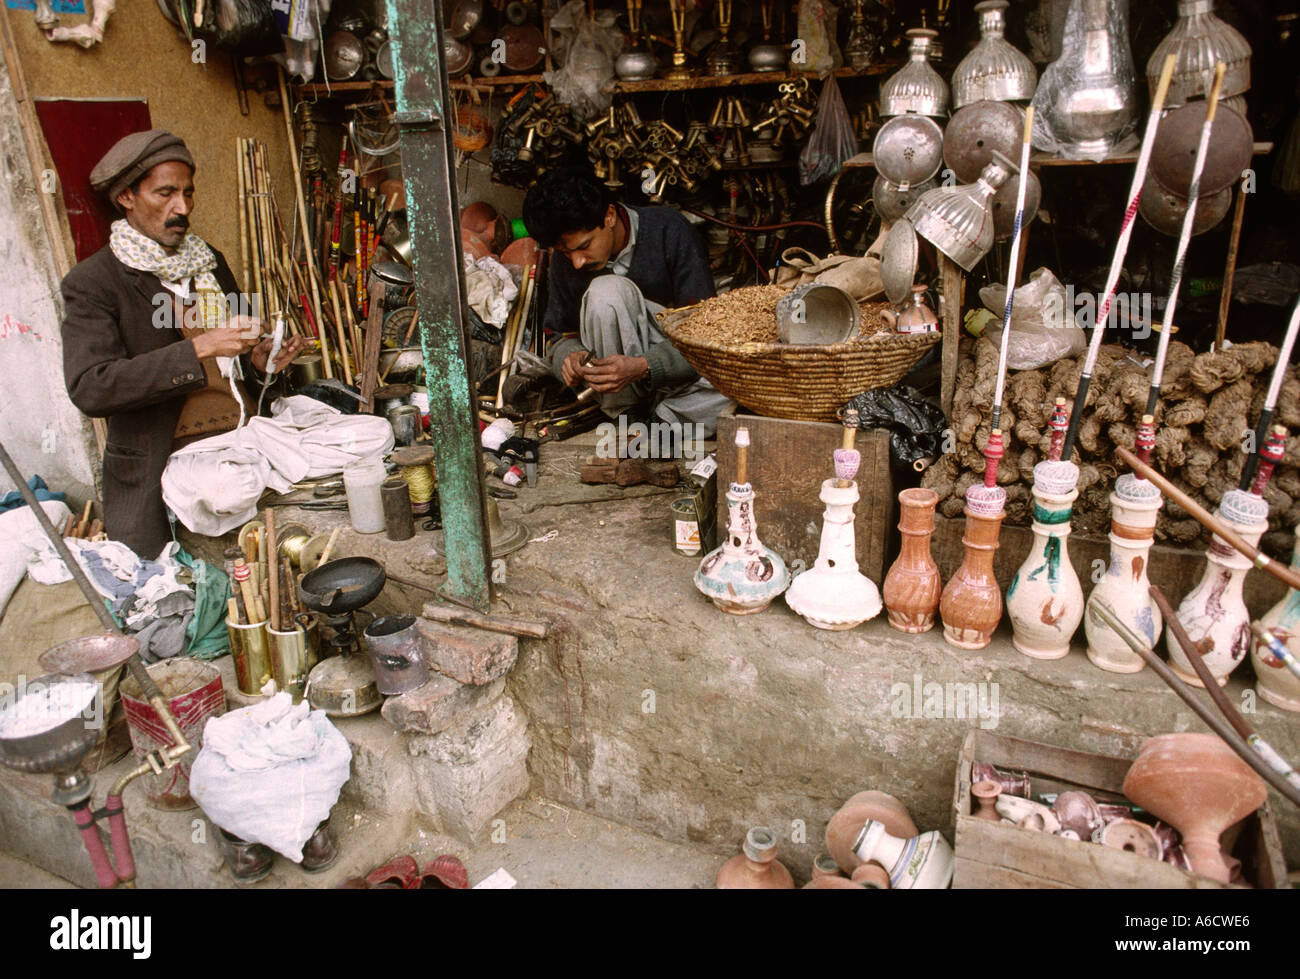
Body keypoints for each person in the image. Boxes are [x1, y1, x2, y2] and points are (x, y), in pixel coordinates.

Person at [60, 129, 306, 557]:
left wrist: (261, 361)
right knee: (228, 491)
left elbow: (238, 363)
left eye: (188, 193)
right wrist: (200, 348)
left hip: (247, 433)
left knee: (371, 436)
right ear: (126, 197)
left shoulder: (209, 262)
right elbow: (91, 387)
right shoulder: (94, 282)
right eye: (166, 193)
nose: (183, 207)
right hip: (174, 453)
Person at [522, 169, 733, 438]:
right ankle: (628, 415)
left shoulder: (668, 229)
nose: (577, 262)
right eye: (566, 252)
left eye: (584, 246)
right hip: (616, 394)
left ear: (609, 216)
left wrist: (644, 366)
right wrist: (569, 357)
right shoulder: (568, 262)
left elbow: (707, 335)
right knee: (605, 292)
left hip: (679, 375)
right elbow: (557, 337)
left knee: (739, 382)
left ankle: (663, 420)